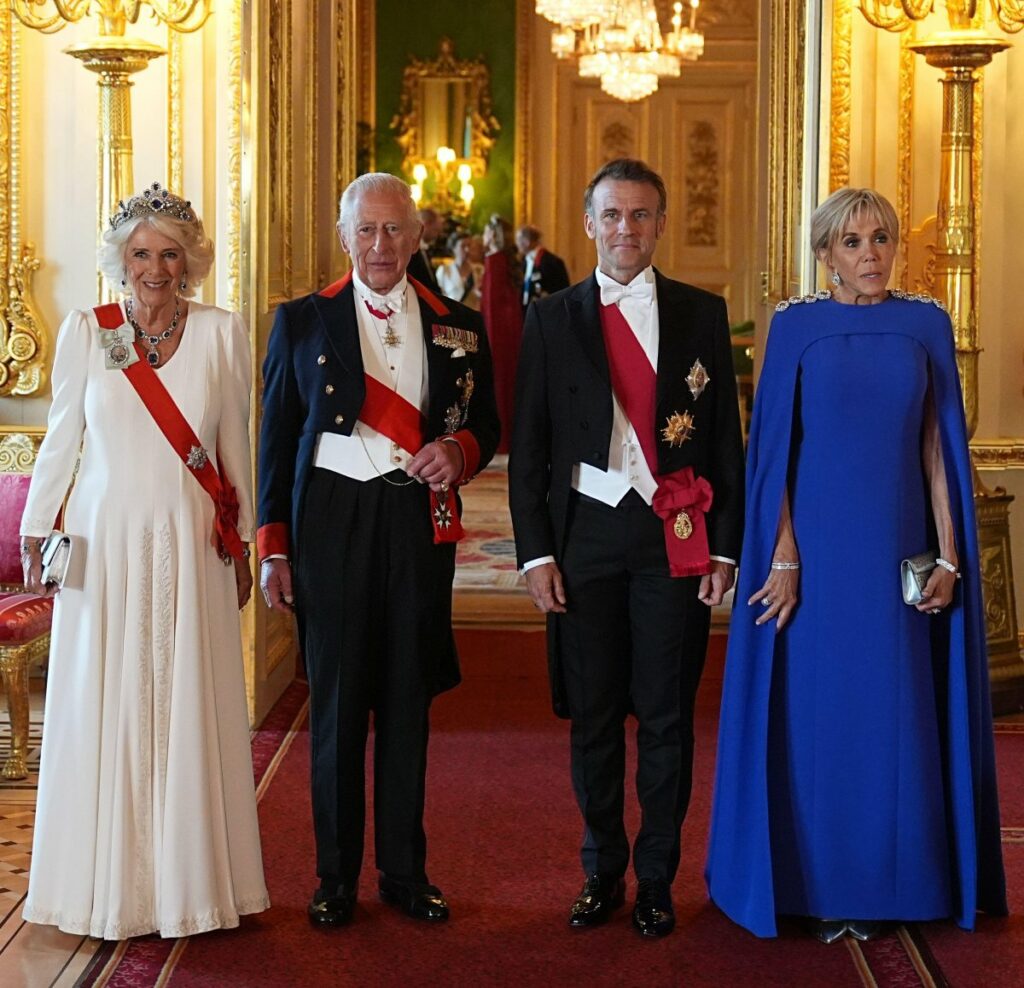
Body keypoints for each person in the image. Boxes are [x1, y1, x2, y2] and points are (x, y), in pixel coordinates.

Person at [706, 188, 1007, 942]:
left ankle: (898, 886)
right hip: (816, 560)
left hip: (896, 554)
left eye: (879, 238)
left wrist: (950, 554)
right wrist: (781, 555)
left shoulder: (926, 323)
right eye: (851, 242)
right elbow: (771, 451)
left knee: (895, 713)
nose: (869, 254)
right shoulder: (796, 327)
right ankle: (815, 886)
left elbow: (940, 448)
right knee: (821, 717)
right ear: (824, 253)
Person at [18, 182, 269, 939]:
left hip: (192, 538)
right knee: (105, 701)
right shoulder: (89, 330)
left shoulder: (223, 333)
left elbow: (236, 449)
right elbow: (62, 437)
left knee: (188, 698)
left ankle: (190, 888)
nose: (155, 268)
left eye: (169, 254)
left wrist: (246, 540)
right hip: (102, 541)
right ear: (119, 262)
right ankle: (102, 886)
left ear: (190, 261)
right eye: (140, 254)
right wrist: (37, 527)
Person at [509, 158, 744, 938]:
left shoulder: (701, 313)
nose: (626, 230)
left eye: (641, 216)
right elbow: (530, 450)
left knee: (669, 715)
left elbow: (724, 445)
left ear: (661, 224)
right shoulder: (551, 318)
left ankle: (655, 880)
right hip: (586, 535)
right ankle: (601, 870)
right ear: (588, 223)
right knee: (596, 716)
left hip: (675, 536)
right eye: (612, 215)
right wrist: (537, 555)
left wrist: (727, 552)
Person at [257, 173, 499, 928]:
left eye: (394, 230)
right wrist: (274, 546)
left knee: (405, 701)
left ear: (417, 235)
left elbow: (488, 420)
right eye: (366, 230)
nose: (380, 245)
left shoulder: (456, 322)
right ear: (344, 235)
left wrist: (458, 452)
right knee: (334, 708)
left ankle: (404, 871)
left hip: (414, 525)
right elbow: (275, 441)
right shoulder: (302, 321)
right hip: (331, 522)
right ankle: (335, 878)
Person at [480, 214, 524, 453]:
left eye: (486, 231)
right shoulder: (506, 260)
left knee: (498, 382)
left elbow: (490, 307)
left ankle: (501, 438)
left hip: (496, 335)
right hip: (510, 332)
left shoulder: (494, 261)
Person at [515, 224, 570, 308]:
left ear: (527, 242)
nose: (517, 244)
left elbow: (562, 292)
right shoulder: (523, 262)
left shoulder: (552, 262)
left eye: (518, 240)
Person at [436, 232, 483, 309]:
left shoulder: (479, 270)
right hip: (452, 317)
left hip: (473, 316)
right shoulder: (444, 271)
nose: (467, 249)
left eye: (469, 245)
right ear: (453, 248)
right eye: (463, 246)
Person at [407, 206, 443, 293]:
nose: (437, 235)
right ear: (426, 225)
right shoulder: (410, 250)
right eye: (435, 230)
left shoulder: (426, 250)